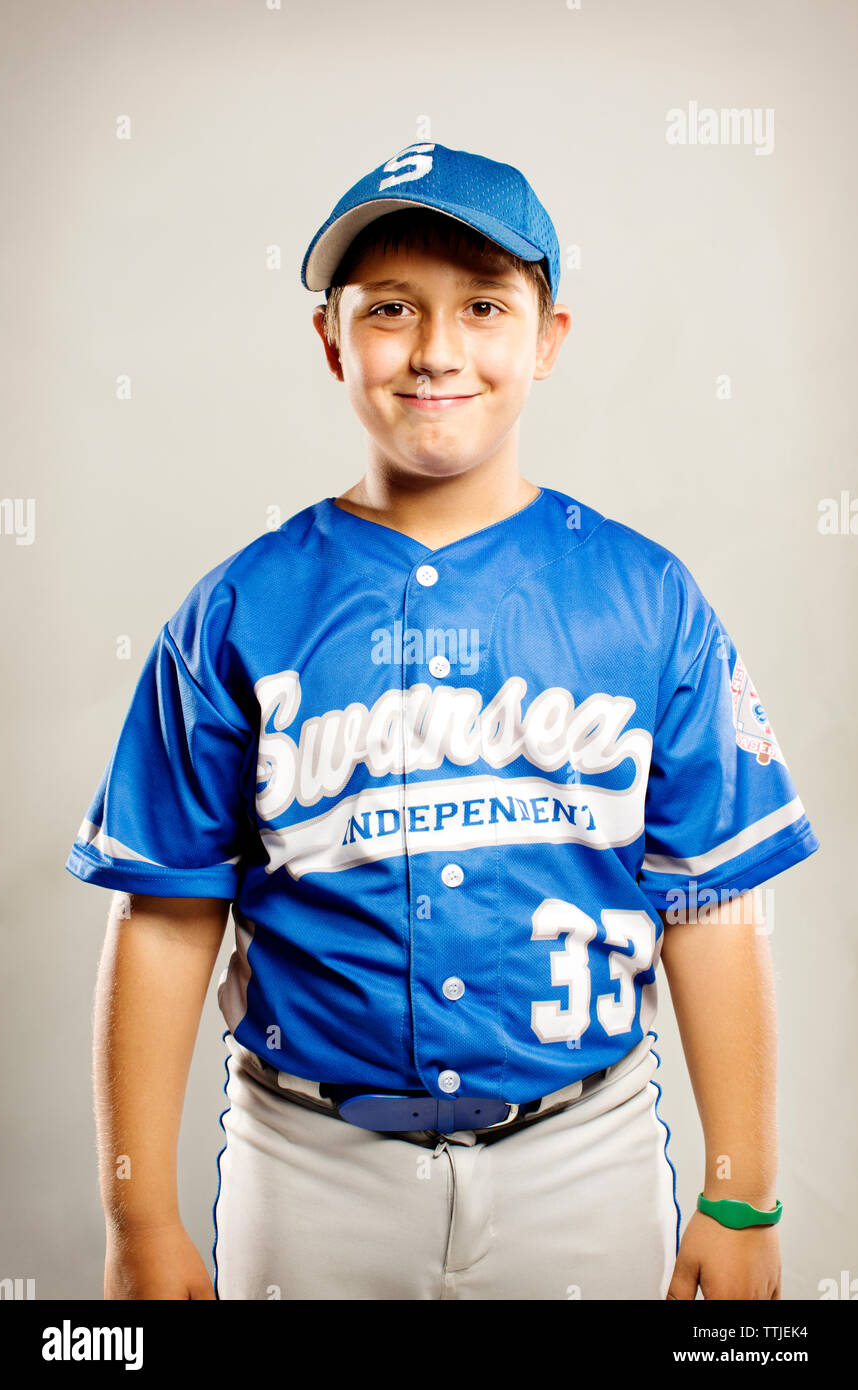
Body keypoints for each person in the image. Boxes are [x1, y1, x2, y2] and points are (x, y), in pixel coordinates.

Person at [66, 141, 819, 1301]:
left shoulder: (643, 595)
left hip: (584, 1149)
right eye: (389, 309)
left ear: (546, 339)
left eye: (480, 305)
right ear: (331, 340)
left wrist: (737, 1191)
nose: (434, 351)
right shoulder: (237, 610)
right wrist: (138, 1215)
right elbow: (167, 916)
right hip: (308, 1157)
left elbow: (709, 905)